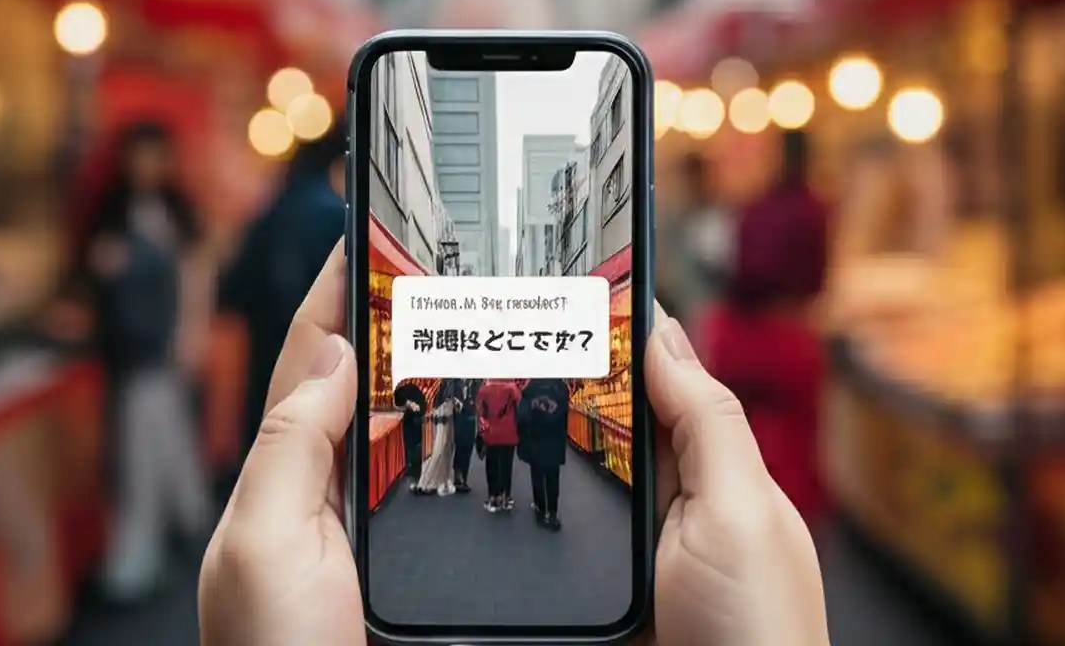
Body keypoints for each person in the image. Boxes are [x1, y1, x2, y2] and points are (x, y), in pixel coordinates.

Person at [198, 247, 831, 646]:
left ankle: (507, 498)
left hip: (505, 442)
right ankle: (535, 505)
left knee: (495, 475)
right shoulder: (537, 387)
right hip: (535, 449)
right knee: (529, 482)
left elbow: (501, 412)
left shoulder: (503, 391)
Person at [83, 120, 210, 600]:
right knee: (156, 441)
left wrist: (190, 332)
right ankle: (184, 521)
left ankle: (141, 551)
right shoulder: (112, 213)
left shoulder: (177, 213)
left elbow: (197, 278)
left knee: (149, 444)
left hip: (162, 343)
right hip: (127, 345)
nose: (147, 166)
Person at [697, 128, 829, 524]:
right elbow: (818, 282)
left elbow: (731, 266)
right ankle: (791, 536)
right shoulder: (815, 210)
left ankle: (739, 521)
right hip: (787, 339)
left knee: (737, 437)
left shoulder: (752, 209)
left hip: (735, 336)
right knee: (795, 445)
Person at [220, 118, 346, 470]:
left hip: (265, 358)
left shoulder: (270, 213)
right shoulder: (334, 216)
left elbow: (232, 291)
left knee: (268, 450)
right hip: (322, 360)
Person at [521, 378, 570, 531]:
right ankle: (553, 512)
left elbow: (523, 415)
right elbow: (564, 412)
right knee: (553, 476)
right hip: (555, 438)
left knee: (537, 474)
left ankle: (540, 507)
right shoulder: (561, 388)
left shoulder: (531, 388)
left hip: (536, 437)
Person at [476, 378, 521, 513]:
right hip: (509, 432)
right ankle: (506, 497)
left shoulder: (484, 389)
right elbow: (519, 406)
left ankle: (493, 497)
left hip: (491, 432)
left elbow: (479, 408)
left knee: (492, 464)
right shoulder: (513, 389)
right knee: (506, 465)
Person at [413, 380, 459, 496]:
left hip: (445, 411)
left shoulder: (446, 381)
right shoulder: (441, 382)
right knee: (439, 448)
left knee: (445, 448)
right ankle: (426, 482)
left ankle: (435, 480)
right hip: (441, 411)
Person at [392, 383, 427, 486]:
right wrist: (409, 404)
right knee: (413, 445)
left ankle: (416, 472)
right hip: (413, 419)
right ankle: (415, 473)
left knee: (415, 445)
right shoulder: (408, 385)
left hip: (418, 418)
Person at [451, 378, 479, 493]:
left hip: (471, 418)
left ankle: (464, 477)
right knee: (459, 446)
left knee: (468, 447)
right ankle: (458, 476)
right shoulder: (455, 382)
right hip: (458, 417)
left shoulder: (476, 382)